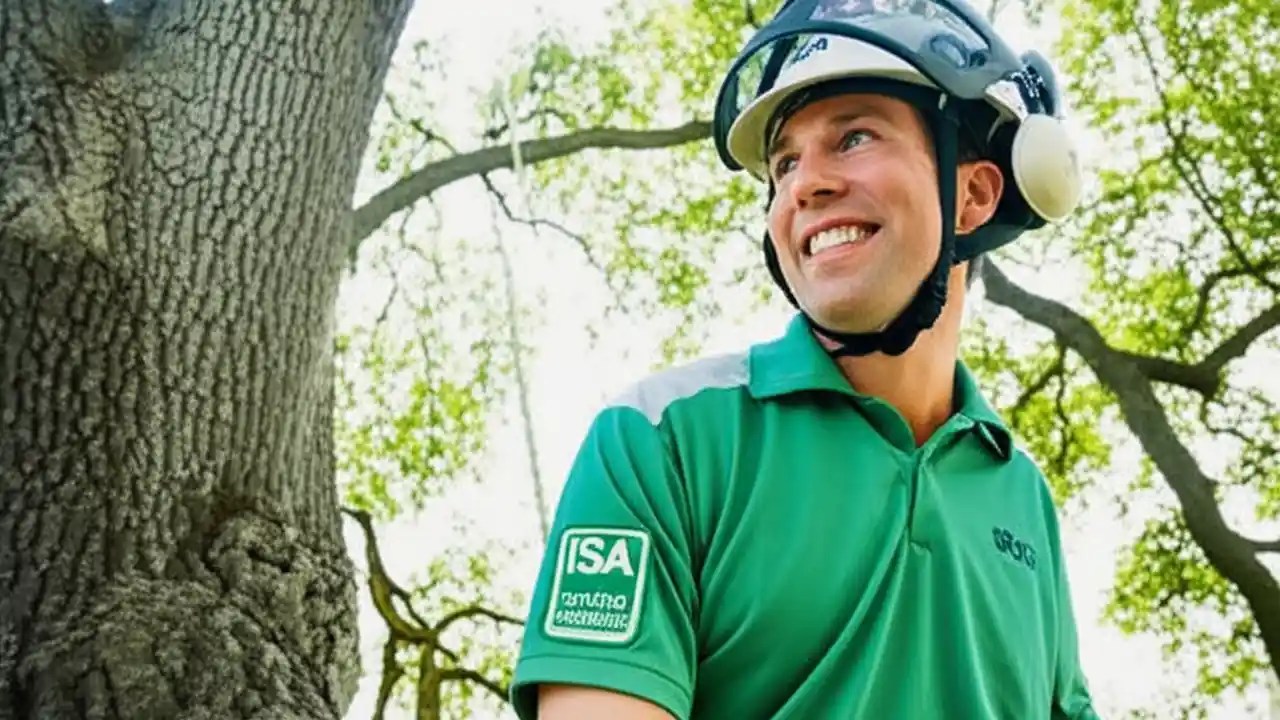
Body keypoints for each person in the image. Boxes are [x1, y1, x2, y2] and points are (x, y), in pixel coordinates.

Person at [508, 0, 1099, 717]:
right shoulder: (660, 440)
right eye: (785, 163)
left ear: (973, 194)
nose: (802, 184)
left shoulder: (1023, 496)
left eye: (853, 137)